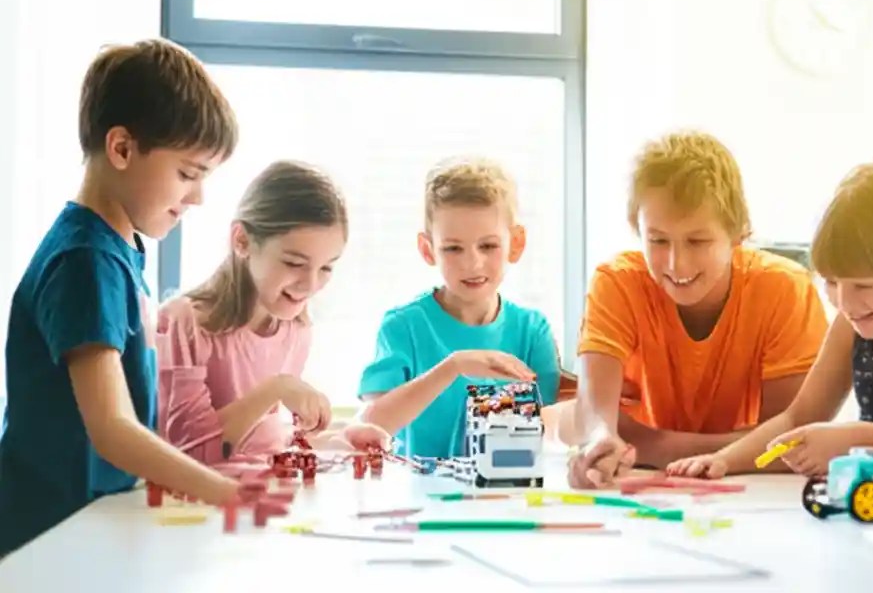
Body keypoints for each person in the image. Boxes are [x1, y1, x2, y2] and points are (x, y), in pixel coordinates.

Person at [0, 39, 242, 556]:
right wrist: (226, 493)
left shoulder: (121, 248)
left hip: (84, 523)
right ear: (122, 149)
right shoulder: (86, 261)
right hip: (45, 533)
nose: (197, 197)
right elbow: (111, 428)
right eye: (188, 173)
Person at [667, 161, 873, 479]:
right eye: (831, 281)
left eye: (863, 285)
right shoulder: (851, 321)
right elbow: (799, 417)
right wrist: (725, 460)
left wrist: (857, 438)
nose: (844, 301)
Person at [562, 130, 828, 488]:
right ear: (636, 229)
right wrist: (598, 442)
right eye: (657, 240)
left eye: (697, 241)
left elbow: (785, 442)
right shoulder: (617, 282)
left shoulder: (786, 289)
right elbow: (594, 418)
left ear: (738, 233)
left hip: (751, 488)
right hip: (640, 484)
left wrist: (652, 442)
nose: (677, 263)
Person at [157, 161, 388, 464]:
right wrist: (275, 389)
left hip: (260, 500)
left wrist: (340, 439)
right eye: (294, 263)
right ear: (241, 241)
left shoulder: (295, 329)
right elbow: (189, 453)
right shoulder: (184, 323)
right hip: (199, 506)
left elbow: (265, 442)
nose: (311, 284)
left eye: (327, 267)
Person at [357, 157, 558, 457]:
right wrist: (454, 367)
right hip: (420, 498)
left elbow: (548, 428)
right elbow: (370, 426)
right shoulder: (403, 327)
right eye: (453, 248)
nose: (472, 263)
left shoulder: (532, 330)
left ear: (515, 244)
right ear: (428, 250)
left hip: (504, 495)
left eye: (488, 246)